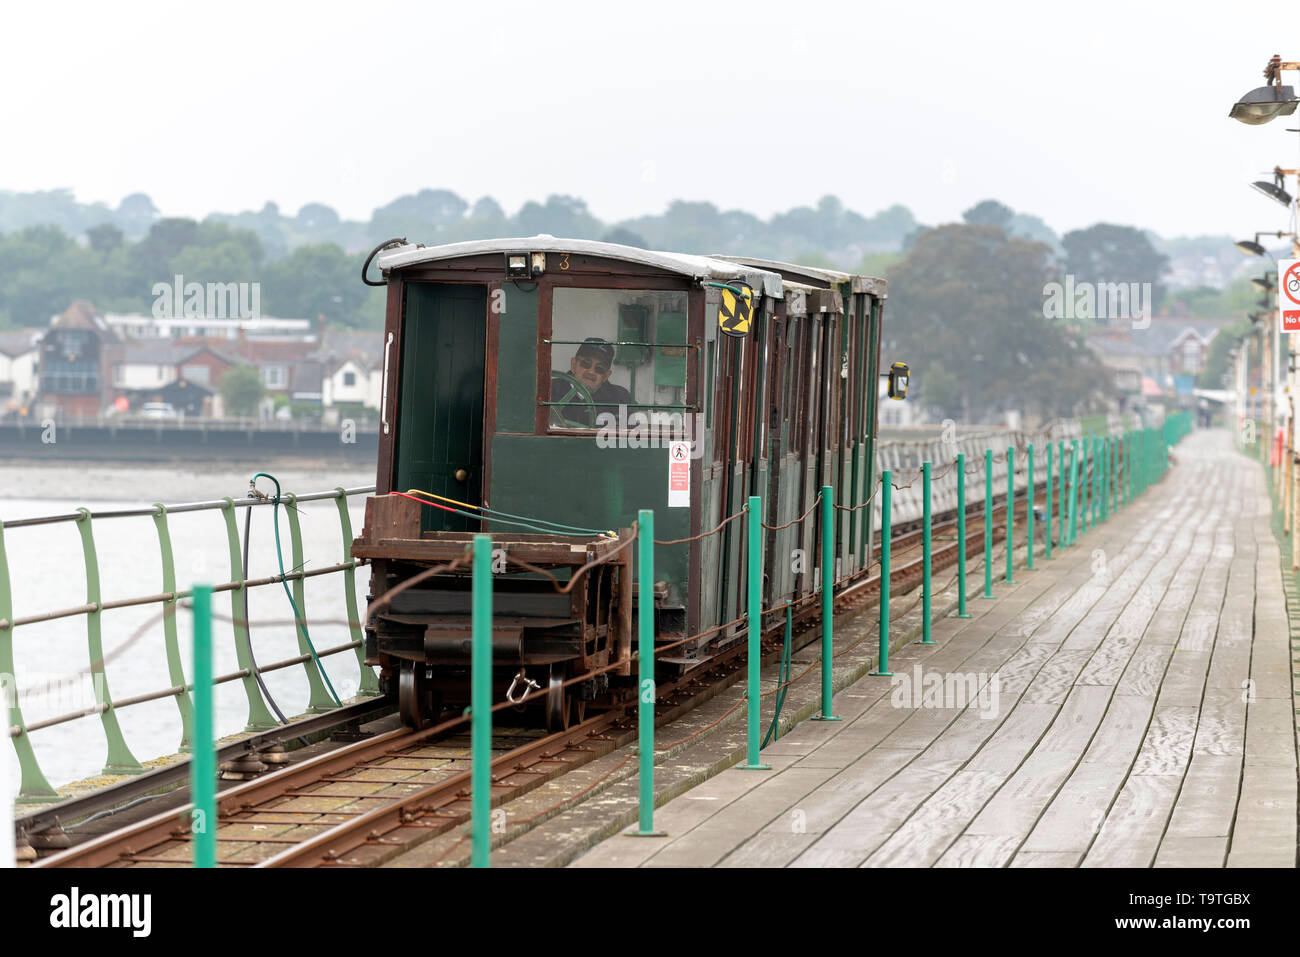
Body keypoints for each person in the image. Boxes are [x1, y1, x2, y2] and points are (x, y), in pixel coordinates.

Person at [550, 337, 632, 427]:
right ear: (573, 365)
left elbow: (627, 433)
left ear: (606, 376)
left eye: (599, 368)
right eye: (586, 363)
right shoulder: (549, 390)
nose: (591, 372)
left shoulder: (619, 398)